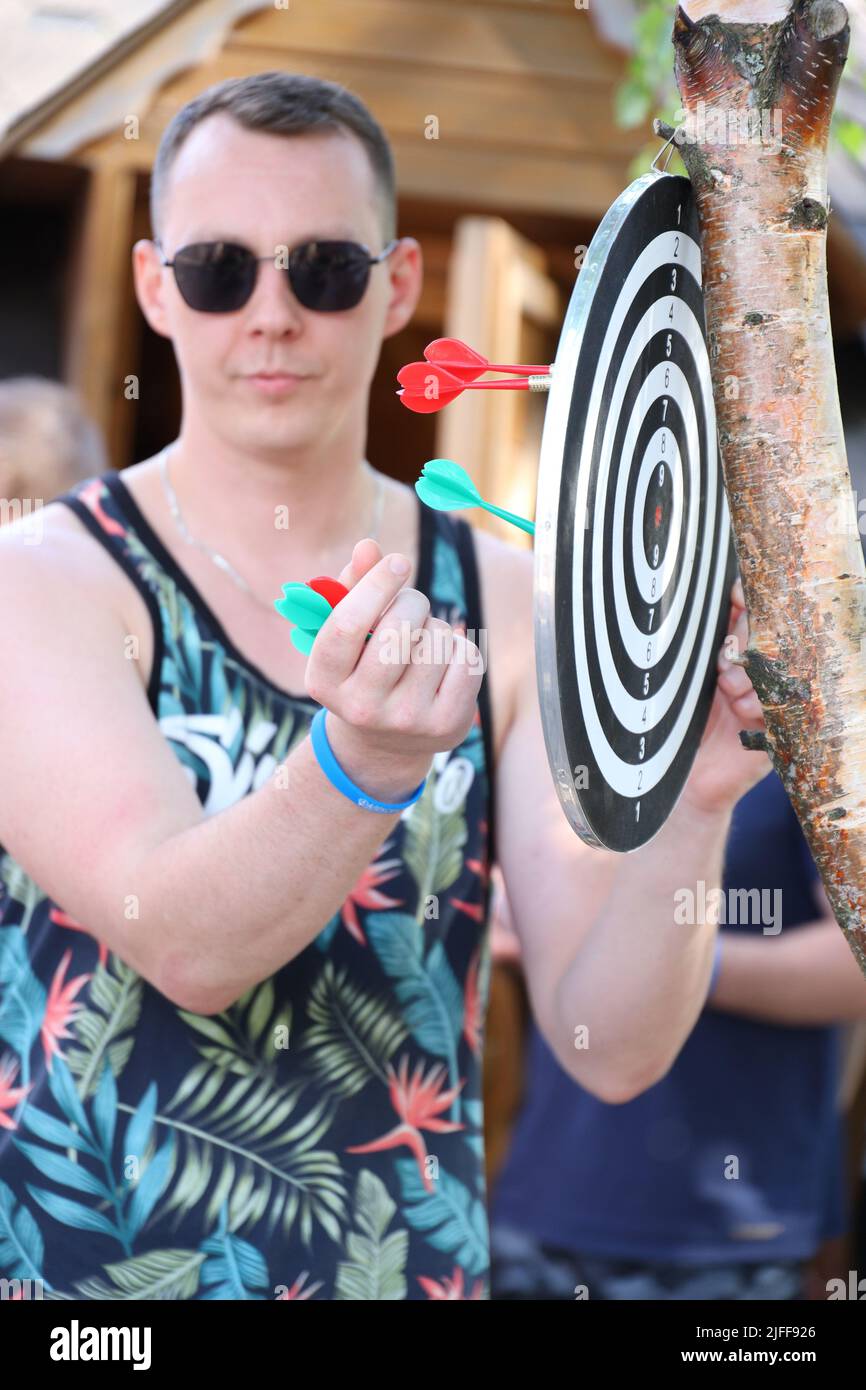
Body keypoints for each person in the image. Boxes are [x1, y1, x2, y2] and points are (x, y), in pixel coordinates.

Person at [0, 71, 767, 1301]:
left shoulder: (505, 597)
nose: (271, 314)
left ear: (396, 282)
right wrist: (357, 766)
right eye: (217, 270)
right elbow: (180, 941)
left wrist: (692, 813)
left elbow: (605, 1045)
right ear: (155, 286)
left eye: (323, 269)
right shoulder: (43, 579)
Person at [489, 768, 866, 1301]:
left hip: (726, 1224)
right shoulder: (577, 713)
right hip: (542, 1197)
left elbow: (855, 966)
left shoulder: (819, 730)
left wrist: (667, 967)